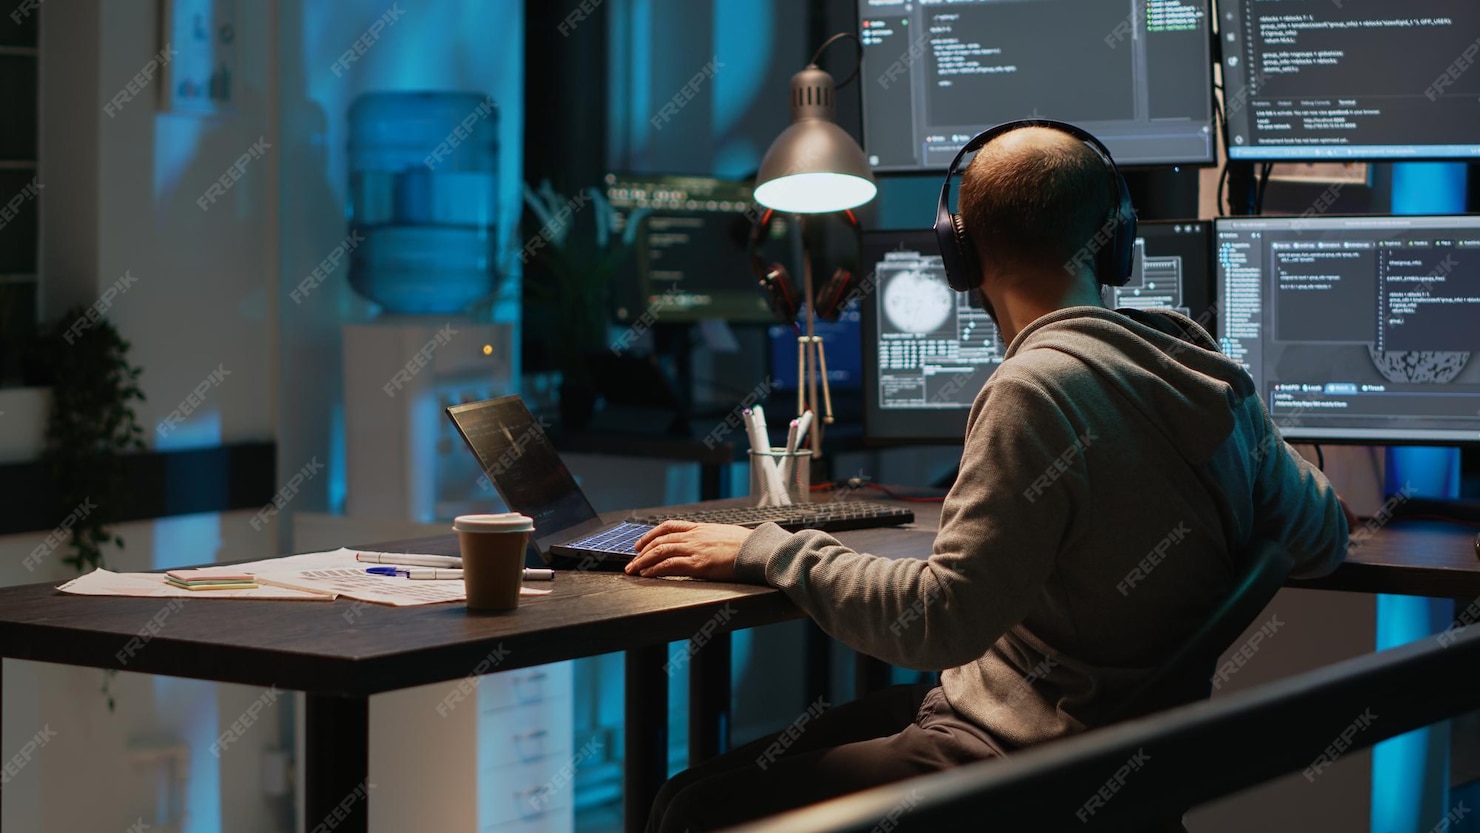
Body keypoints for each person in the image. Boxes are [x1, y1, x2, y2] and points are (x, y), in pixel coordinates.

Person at [626, 123, 1353, 833]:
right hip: (1102, 746)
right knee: (712, 783)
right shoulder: (1203, 371)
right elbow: (1321, 536)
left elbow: (941, 620)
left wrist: (774, 549)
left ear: (961, 255)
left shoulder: (1031, 390)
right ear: (1118, 245)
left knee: (689, 807)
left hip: (1018, 753)